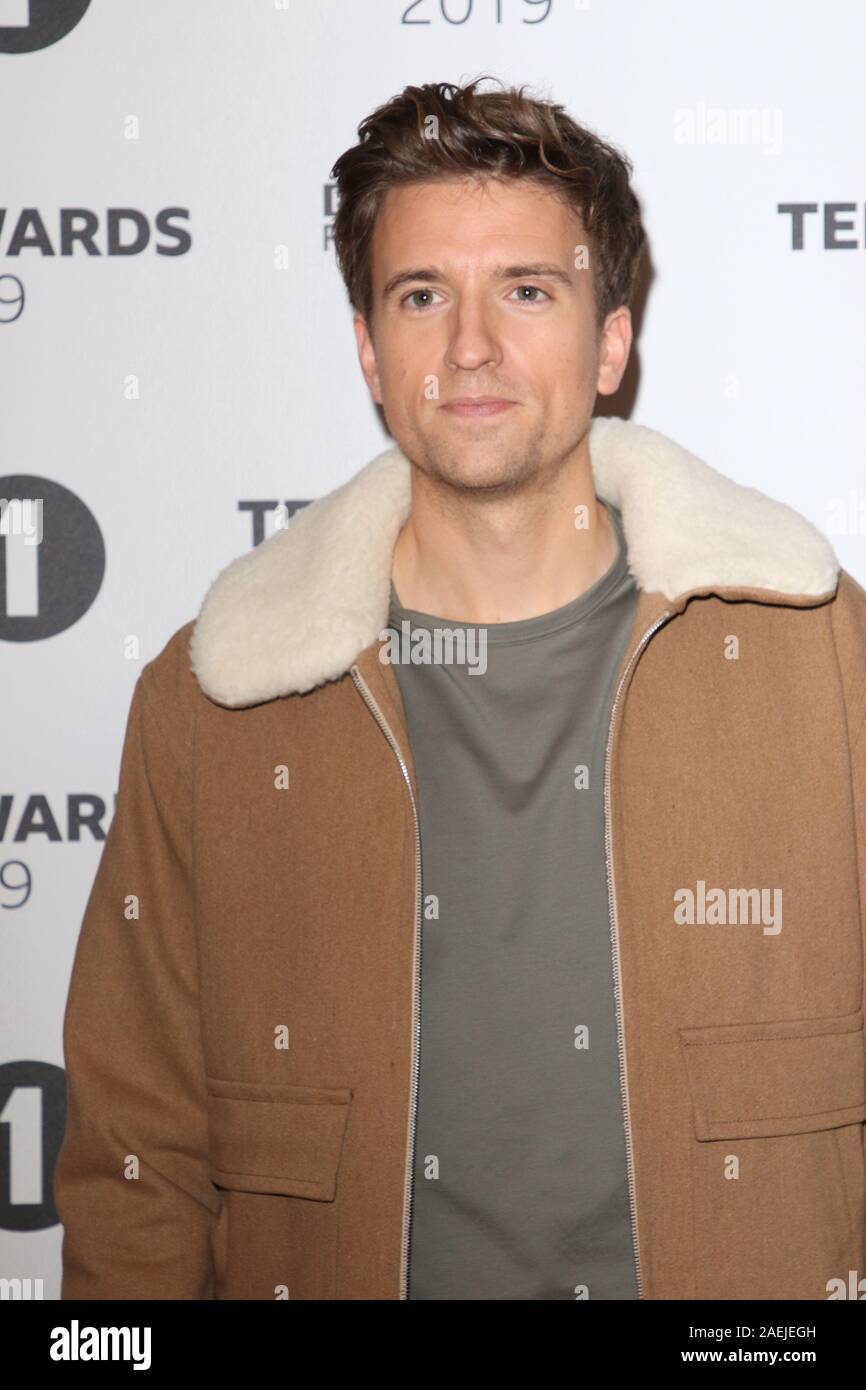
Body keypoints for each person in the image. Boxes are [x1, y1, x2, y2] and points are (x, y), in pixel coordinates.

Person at [54, 76, 866, 1301]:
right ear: (371, 354)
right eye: (422, 294)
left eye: (525, 292)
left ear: (609, 343)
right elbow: (137, 1162)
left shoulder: (822, 654)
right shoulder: (217, 698)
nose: (471, 346)